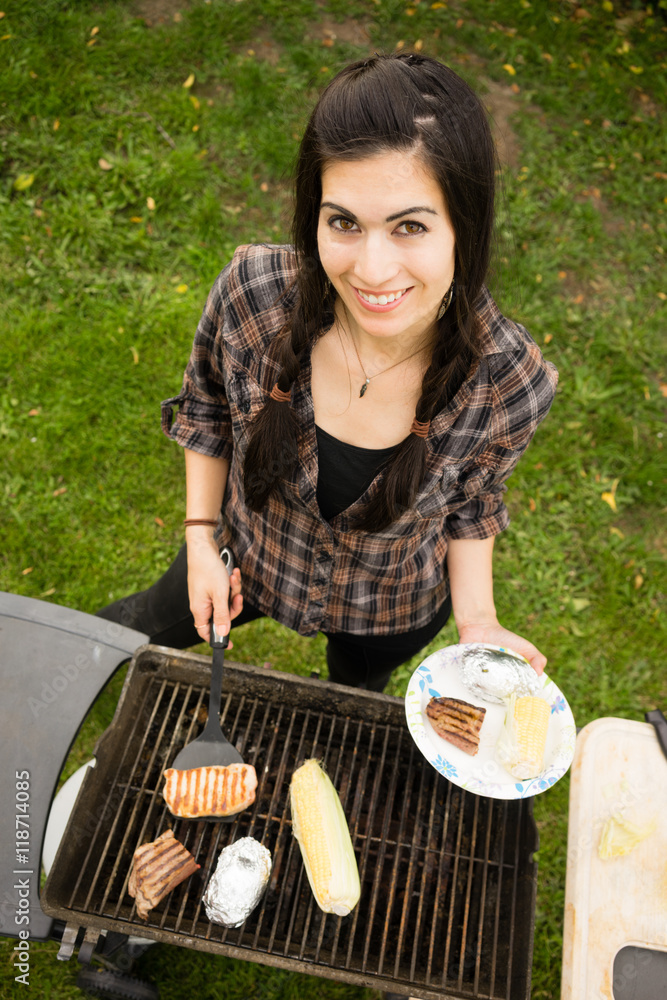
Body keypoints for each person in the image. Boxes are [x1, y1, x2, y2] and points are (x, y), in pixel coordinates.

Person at [97, 53, 558, 693]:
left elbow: (473, 505)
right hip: (244, 558)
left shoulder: (511, 380)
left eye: (409, 227)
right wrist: (201, 539)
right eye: (344, 222)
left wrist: (478, 621)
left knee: (350, 701)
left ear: (464, 227)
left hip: (386, 609)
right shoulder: (253, 295)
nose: (371, 271)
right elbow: (205, 412)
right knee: (137, 627)